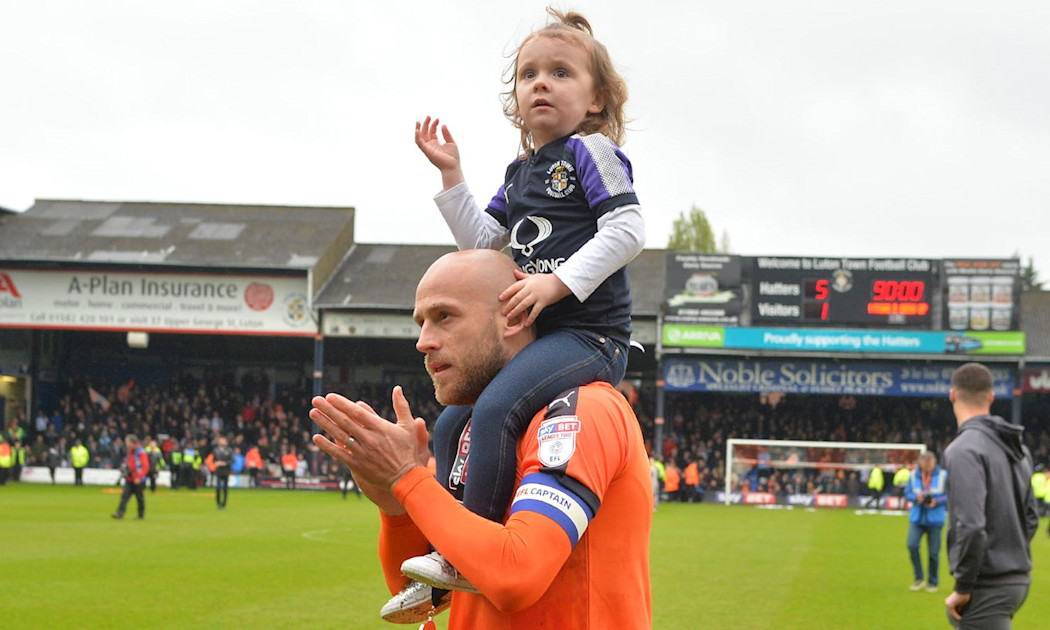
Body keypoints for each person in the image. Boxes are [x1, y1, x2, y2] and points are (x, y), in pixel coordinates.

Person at [411, 6, 644, 585]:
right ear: (516, 96)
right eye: (528, 74)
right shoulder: (519, 173)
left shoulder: (594, 152)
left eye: (561, 72)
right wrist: (452, 180)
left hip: (591, 336)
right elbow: (487, 250)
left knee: (495, 409)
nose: (541, 82)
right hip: (545, 337)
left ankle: (468, 554)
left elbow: (629, 229)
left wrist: (555, 281)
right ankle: (446, 552)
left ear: (596, 100)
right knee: (448, 426)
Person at [311, 250, 652, 628]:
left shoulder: (582, 411)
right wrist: (396, 508)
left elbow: (514, 578)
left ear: (517, 317)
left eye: (444, 317)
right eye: (421, 322)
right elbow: (414, 592)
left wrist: (408, 477)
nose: (423, 341)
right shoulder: (469, 426)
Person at [943, 363, 1039, 628]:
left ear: (952, 395)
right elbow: (1031, 518)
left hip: (988, 585)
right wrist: (1008, 553)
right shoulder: (1016, 446)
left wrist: (963, 586)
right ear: (991, 397)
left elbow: (971, 525)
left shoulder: (964, 450)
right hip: (1016, 581)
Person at [905, 451, 947, 593]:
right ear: (920, 464)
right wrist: (915, 498)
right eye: (925, 466)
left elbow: (950, 494)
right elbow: (907, 493)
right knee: (912, 545)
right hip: (917, 517)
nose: (927, 469)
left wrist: (937, 501)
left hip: (935, 519)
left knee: (933, 553)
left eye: (929, 466)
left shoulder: (943, 476)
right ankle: (919, 578)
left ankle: (933, 582)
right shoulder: (912, 476)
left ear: (934, 463)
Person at [112, 435, 149, 519]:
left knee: (139, 498)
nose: (126, 443)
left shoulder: (141, 452)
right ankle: (120, 513)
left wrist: (139, 477)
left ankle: (140, 515)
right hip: (130, 478)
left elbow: (145, 466)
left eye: (127, 442)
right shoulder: (130, 452)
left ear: (133, 443)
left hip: (138, 479)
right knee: (124, 496)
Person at [212, 435, 233, 508]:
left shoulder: (229, 450)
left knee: (225, 488)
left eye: (223, 440)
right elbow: (212, 459)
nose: (222, 442)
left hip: (226, 471)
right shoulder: (215, 450)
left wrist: (225, 463)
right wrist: (216, 463)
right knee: (217, 487)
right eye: (221, 440)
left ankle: (224, 504)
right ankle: (218, 503)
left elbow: (232, 460)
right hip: (218, 471)